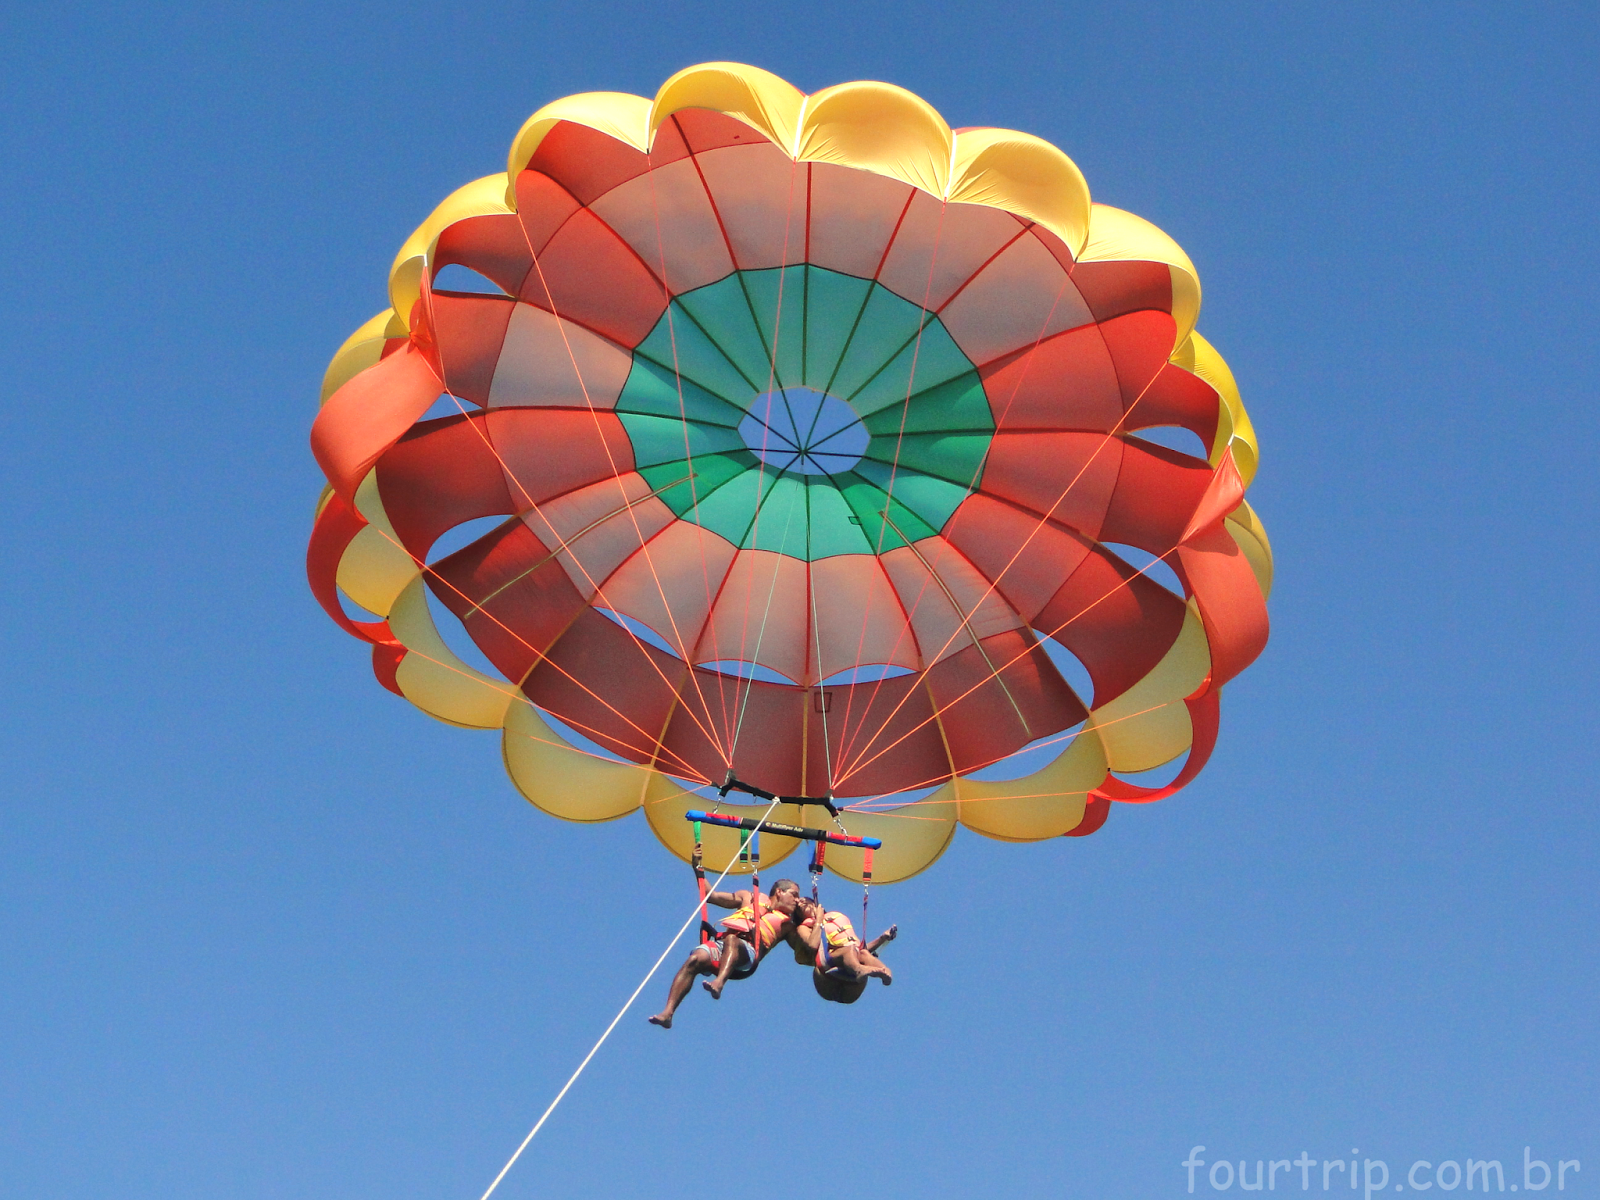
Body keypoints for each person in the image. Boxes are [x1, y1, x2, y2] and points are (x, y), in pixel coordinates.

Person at [647, 879, 801, 1029]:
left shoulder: (788, 925)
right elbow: (711, 895)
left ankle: (719, 982)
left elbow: (804, 948)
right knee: (694, 960)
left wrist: (817, 920)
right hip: (723, 945)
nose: (797, 900)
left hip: (748, 952)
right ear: (780, 892)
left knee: (732, 940)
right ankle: (668, 1013)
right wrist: (698, 867)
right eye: (794, 895)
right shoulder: (749, 897)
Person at [787, 897, 898, 1004]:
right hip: (828, 970)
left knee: (863, 953)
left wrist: (882, 938)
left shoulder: (836, 918)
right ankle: (858, 970)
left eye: (804, 900)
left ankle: (884, 972)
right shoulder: (804, 927)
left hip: (852, 988)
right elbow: (812, 945)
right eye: (798, 906)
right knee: (849, 950)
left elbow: (858, 950)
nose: (800, 902)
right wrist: (819, 920)